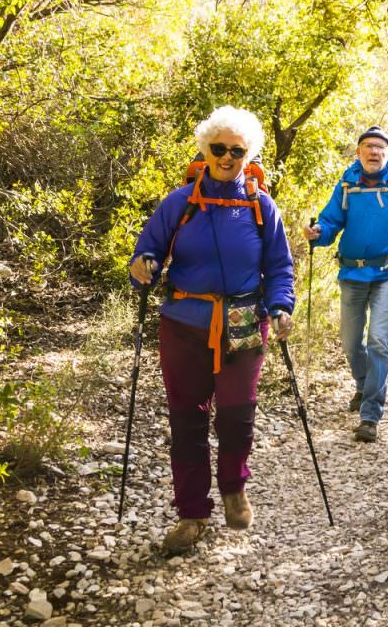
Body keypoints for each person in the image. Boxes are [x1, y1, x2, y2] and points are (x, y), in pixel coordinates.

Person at [129, 106, 295, 554]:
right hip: (184, 324)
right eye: (218, 148)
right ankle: (191, 514)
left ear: (248, 154)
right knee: (187, 420)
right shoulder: (179, 203)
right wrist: (143, 267)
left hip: (245, 322)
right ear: (205, 150)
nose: (226, 157)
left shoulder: (261, 207)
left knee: (237, 416)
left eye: (236, 151)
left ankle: (233, 488)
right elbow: (147, 252)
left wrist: (281, 306)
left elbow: (280, 267)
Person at [304, 126, 388, 443]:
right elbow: (331, 221)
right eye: (368, 146)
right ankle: (363, 385)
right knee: (350, 342)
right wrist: (318, 232)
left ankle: (370, 414)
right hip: (352, 273)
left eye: (379, 147)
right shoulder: (347, 185)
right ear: (358, 152)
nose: (374, 152)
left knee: (378, 339)